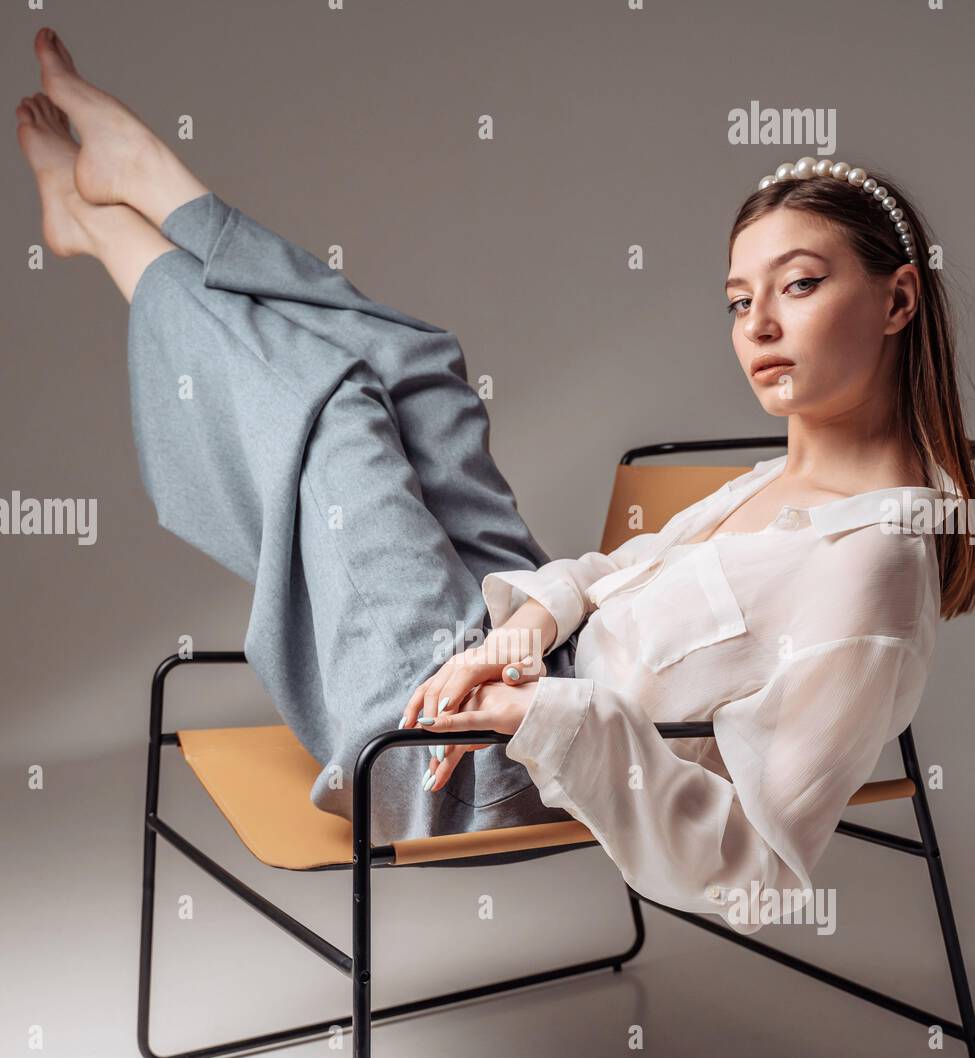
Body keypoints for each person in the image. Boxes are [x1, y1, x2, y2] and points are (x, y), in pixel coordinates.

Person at [16, 27, 974, 928]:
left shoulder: (873, 575)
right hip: (509, 660)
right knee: (418, 370)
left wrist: (535, 707)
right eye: (737, 300)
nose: (756, 326)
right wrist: (524, 628)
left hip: (463, 759)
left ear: (895, 299)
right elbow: (612, 577)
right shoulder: (773, 483)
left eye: (798, 285)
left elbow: (759, 875)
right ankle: (167, 198)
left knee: (341, 409)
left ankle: (115, 232)